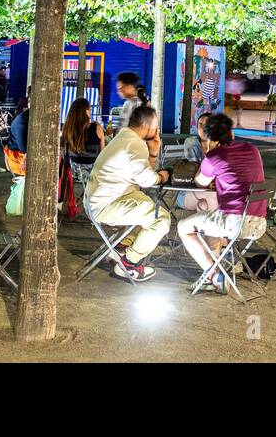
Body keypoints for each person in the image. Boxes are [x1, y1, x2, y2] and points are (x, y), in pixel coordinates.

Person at [177, 113, 266, 294]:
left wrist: (209, 154)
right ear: (231, 133)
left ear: (210, 137)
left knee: (183, 227)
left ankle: (213, 274)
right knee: (208, 212)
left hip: (233, 224)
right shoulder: (252, 149)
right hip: (259, 223)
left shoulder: (214, 156)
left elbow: (200, 183)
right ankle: (220, 263)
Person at [85, 104, 172, 282]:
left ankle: (120, 249)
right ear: (148, 125)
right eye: (156, 126)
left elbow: (143, 173)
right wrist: (164, 176)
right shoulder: (134, 143)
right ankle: (130, 264)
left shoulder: (124, 138)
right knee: (161, 219)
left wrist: (153, 153)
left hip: (100, 202)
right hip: (107, 206)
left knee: (147, 209)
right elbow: (147, 180)